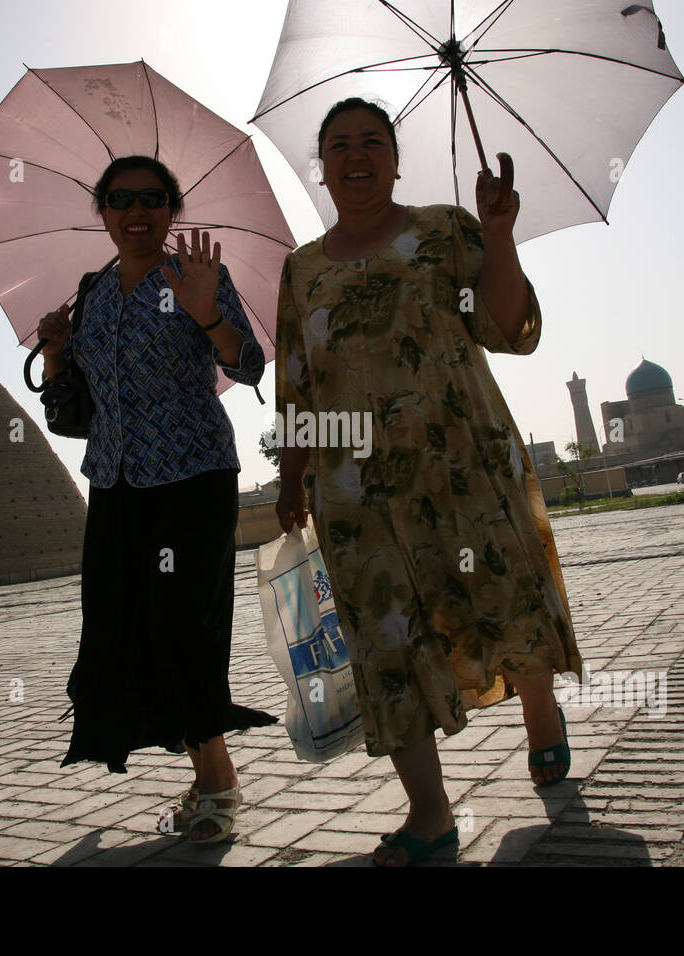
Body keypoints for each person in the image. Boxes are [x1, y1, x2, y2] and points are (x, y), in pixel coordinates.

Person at [274, 99, 583, 867]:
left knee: (505, 592)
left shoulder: (445, 230)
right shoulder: (301, 269)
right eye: (339, 145)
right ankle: (431, 814)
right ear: (322, 166)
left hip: (462, 458)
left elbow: (508, 327)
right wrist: (292, 479)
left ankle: (539, 710)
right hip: (355, 496)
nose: (356, 155)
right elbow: (296, 385)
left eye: (372, 142)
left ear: (395, 159)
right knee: (385, 640)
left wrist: (501, 237)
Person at [37, 155, 276, 845]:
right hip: (114, 484)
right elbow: (70, 416)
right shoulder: (93, 293)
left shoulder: (195, 276)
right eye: (120, 199)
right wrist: (57, 354)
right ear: (102, 211)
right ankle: (200, 768)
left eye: (151, 198)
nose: (135, 211)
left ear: (173, 209)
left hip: (192, 479)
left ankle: (218, 780)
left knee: (183, 626)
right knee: (120, 628)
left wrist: (209, 317)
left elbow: (248, 366)